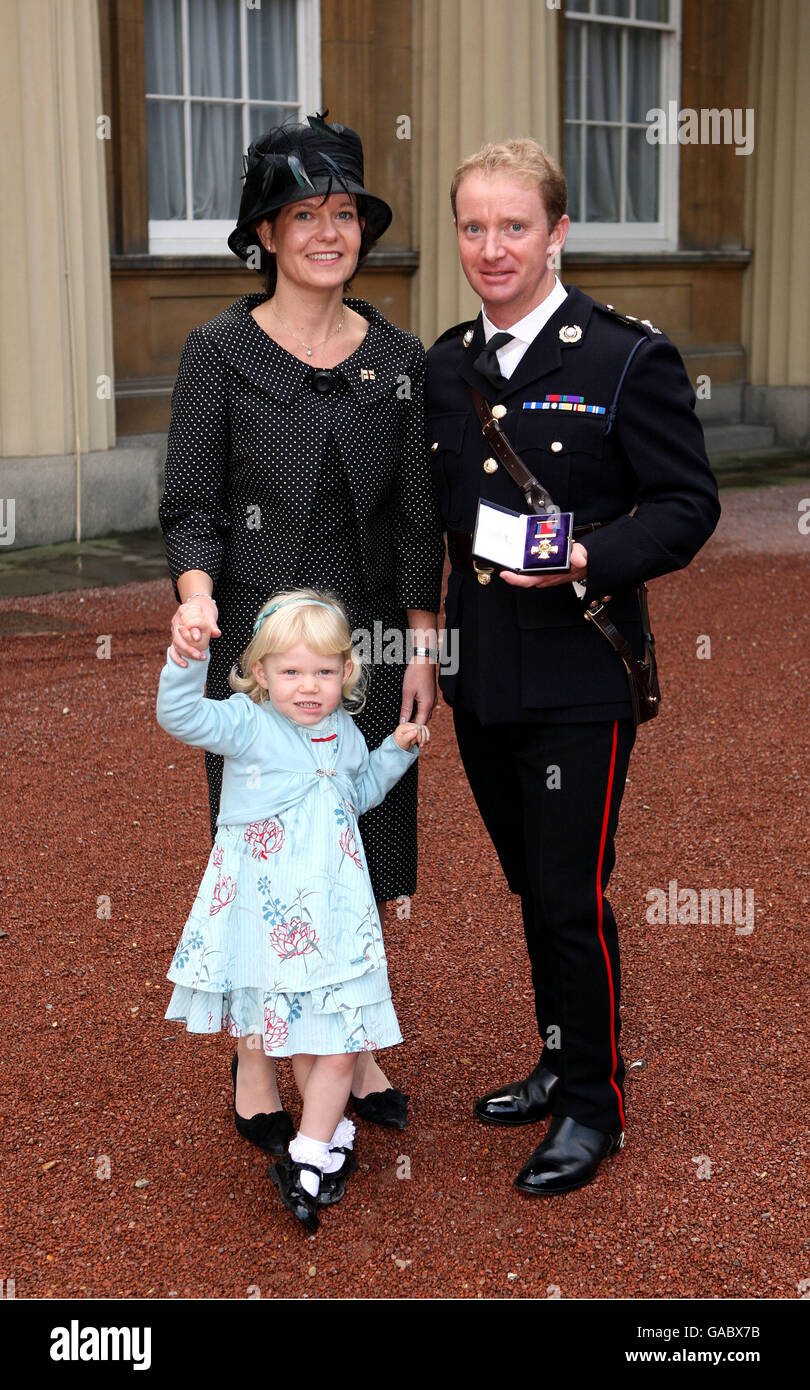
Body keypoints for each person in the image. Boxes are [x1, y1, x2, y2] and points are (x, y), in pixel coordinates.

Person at [426, 138, 721, 1196]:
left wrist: (592, 551)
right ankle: (557, 1057)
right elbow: (438, 524)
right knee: (529, 885)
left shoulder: (624, 358)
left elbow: (690, 506)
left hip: (582, 676)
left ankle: (595, 1104)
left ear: (558, 232)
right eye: (472, 226)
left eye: (514, 226)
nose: (491, 247)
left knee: (570, 895)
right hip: (484, 673)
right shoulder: (447, 363)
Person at [159, 113, 444, 1144]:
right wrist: (194, 594)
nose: (328, 232)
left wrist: (421, 650)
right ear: (267, 234)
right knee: (263, 846)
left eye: (343, 214)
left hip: (361, 652)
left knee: (361, 839)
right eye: (303, 215)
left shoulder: (400, 360)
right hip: (256, 653)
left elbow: (418, 514)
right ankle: (253, 1064)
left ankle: (354, 1040)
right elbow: (191, 501)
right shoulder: (220, 353)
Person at [156, 589, 430, 1233]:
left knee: (328, 1033)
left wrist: (396, 750)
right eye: (291, 672)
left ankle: (312, 1151)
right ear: (259, 674)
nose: (309, 687)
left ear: (347, 674)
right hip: (266, 914)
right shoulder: (246, 723)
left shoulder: (346, 733)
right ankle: (319, 1144)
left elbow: (356, 795)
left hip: (334, 915)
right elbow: (179, 715)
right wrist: (184, 655)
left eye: (325, 673)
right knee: (299, 1026)